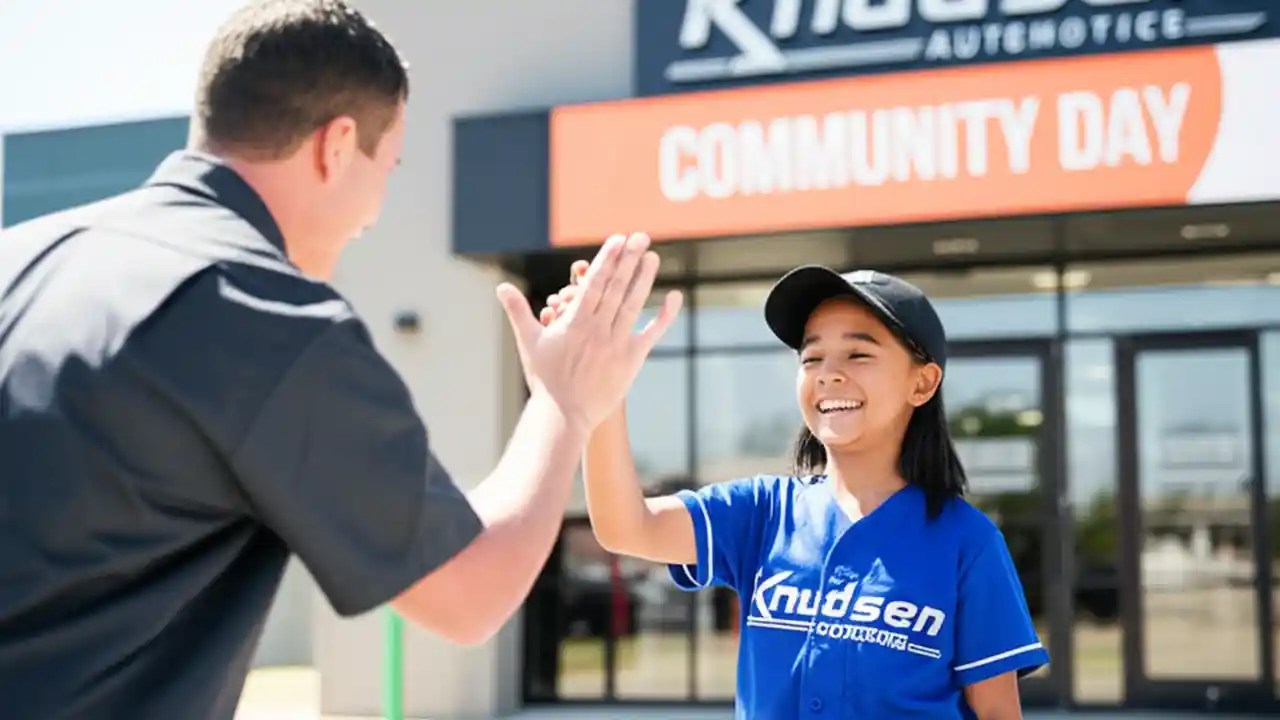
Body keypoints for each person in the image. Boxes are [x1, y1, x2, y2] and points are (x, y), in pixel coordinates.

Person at [0, 1, 679, 718]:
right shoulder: (261, 316)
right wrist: (564, 402)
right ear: (336, 145)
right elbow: (470, 591)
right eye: (387, 168)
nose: (376, 212)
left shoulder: (21, 257)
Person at [542, 261, 1049, 719]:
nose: (829, 374)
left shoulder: (967, 542)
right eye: (812, 358)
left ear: (922, 383)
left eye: (858, 353)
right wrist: (602, 394)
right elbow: (623, 526)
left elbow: (997, 712)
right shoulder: (761, 513)